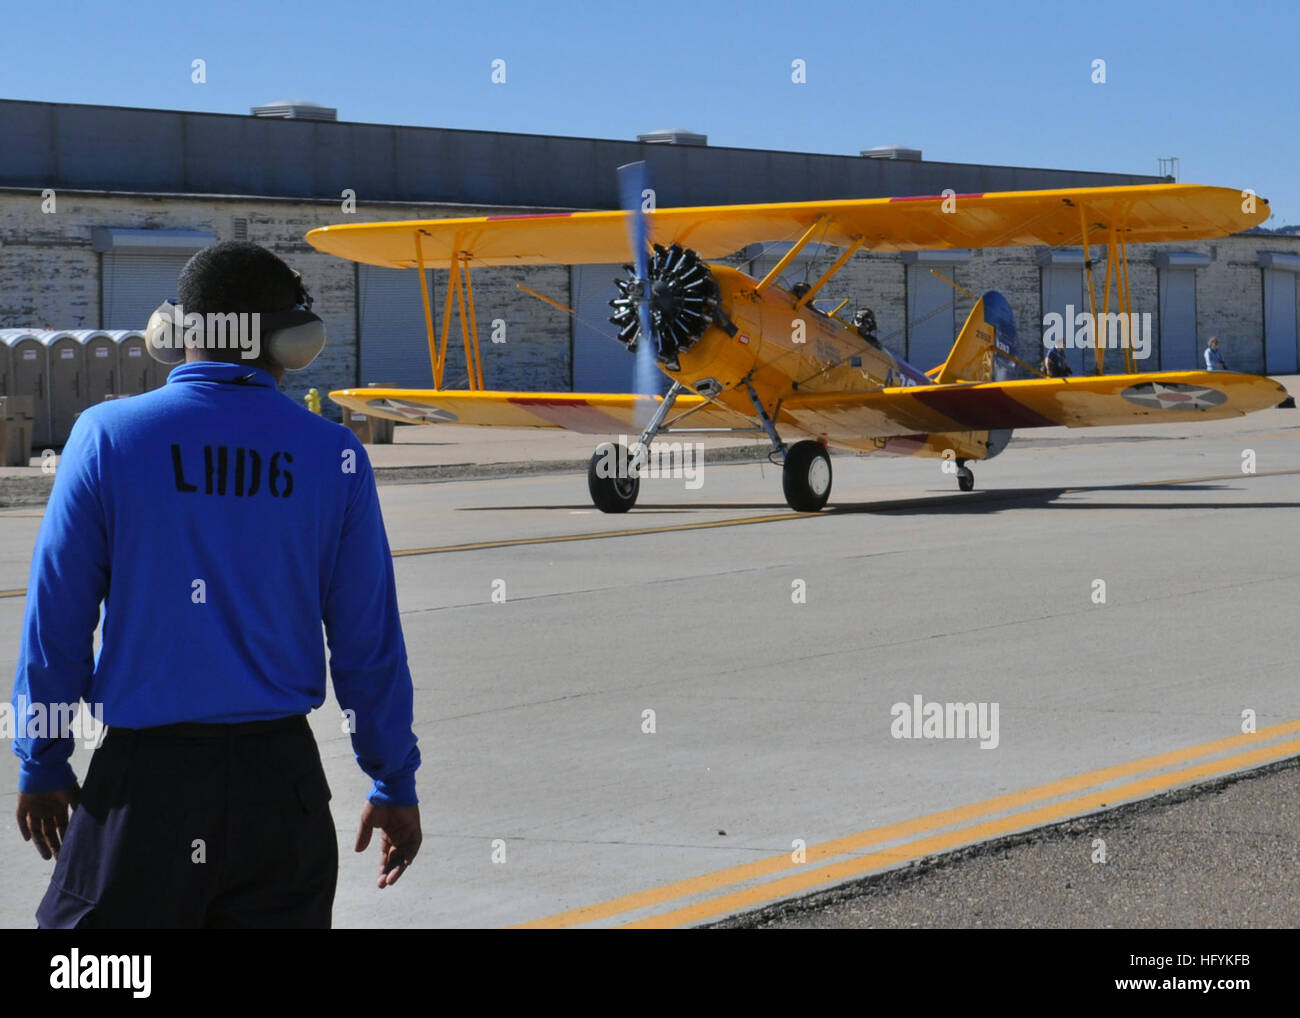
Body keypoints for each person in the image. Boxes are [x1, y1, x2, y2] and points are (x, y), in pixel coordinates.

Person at [12, 241, 421, 928]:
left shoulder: (106, 437)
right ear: (293, 340)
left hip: (144, 792)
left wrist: (42, 760)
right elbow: (367, 643)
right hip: (281, 792)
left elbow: (57, 618)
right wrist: (392, 778)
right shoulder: (335, 455)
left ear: (173, 328)